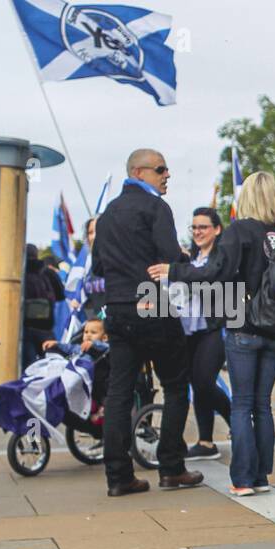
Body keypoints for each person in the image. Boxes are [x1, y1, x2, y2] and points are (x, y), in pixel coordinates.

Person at [151, 171, 275, 496]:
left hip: (243, 324)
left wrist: (175, 271)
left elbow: (215, 271)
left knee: (243, 403)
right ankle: (260, 475)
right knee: (263, 404)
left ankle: (244, 479)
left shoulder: (239, 231)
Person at [90, 148, 201, 497]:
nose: (167, 175)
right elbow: (169, 256)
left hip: (118, 309)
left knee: (120, 392)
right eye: (161, 169)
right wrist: (183, 258)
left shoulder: (106, 214)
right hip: (151, 304)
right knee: (176, 384)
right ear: (139, 172)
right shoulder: (155, 207)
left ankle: (119, 477)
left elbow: (97, 268)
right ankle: (171, 468)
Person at [174, 207, 232, 461]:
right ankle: (206, 442)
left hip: (214, 325)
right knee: (196, 384)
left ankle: (239, 424)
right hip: (189, 328)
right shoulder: (191, 258)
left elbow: (210, 280)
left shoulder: (221, 257)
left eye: (203, 227)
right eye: (194, 227)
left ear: (216, 229)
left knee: (204, 381)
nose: (198, 232)